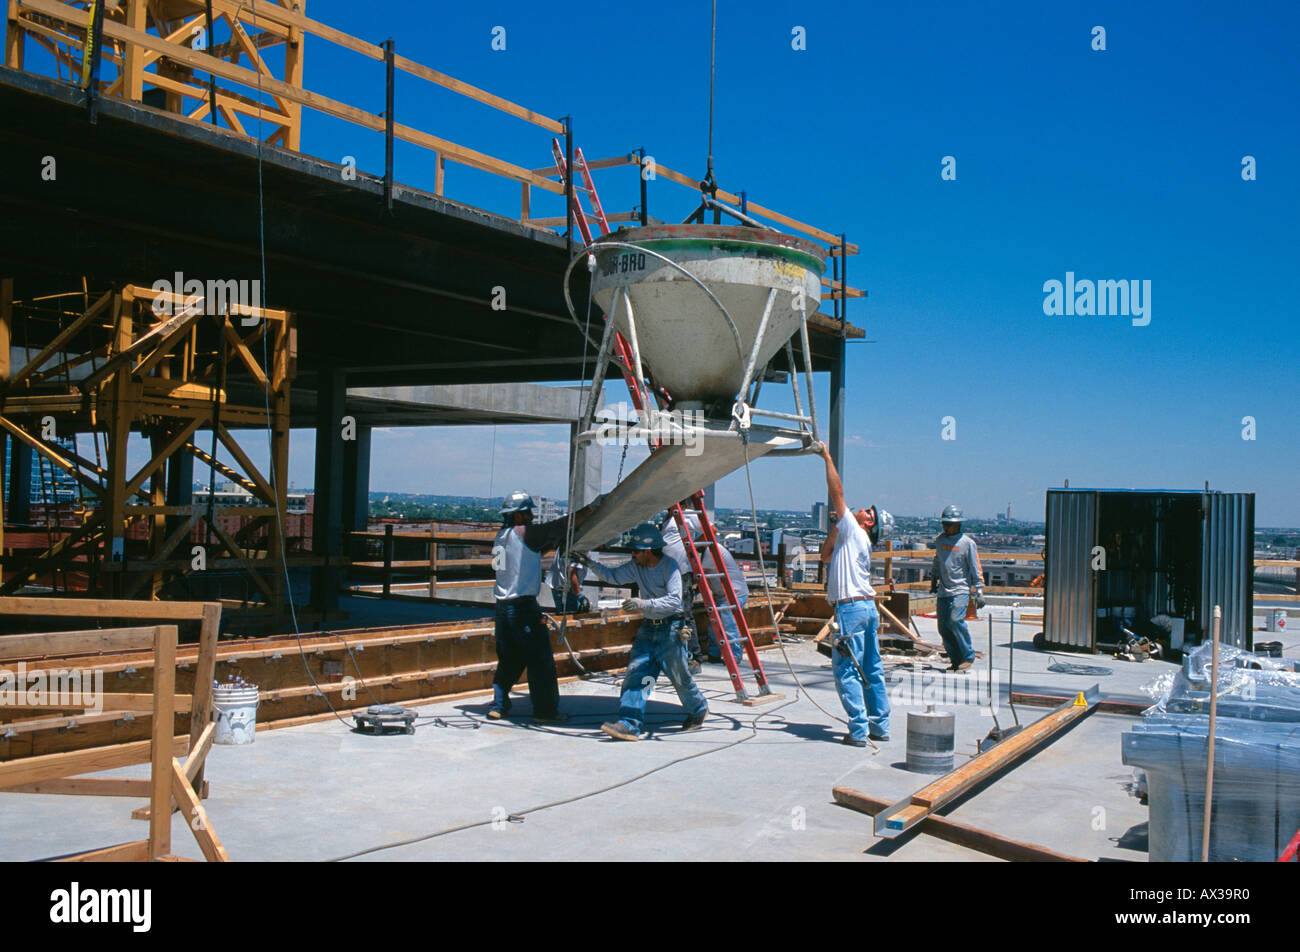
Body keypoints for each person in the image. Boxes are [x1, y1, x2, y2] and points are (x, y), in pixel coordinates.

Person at [577, 522, 708, 741]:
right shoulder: (637, 565)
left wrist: (642, 604)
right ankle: (629, 723)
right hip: (649, 628)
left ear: (648, 551)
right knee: (638, 674)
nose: (633, 554)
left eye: (636, 551)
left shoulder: (670, 567)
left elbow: (675, 601)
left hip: (671, 629)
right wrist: (589, 563)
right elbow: (614, 577)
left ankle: (698, 708)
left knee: (680, 677)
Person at [489, 490, 594, 722]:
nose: (531, 518)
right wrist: (591, 510)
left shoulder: (501, 536)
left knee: (510, 659)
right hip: (522, 607)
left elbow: (513, 562)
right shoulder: (524, 533)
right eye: (527, 514)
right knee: (540, 660)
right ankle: (545, 712)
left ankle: (499, 704)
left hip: (502, 608)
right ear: (517, 516)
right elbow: (561, 526)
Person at [817, 443, 891, 746]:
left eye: (866, 511)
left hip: (850, 611)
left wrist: (827, 457)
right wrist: (837, 525)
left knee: (847, 669)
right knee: (872, 669)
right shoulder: (851, 535)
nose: (861, 509)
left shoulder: (856, 531)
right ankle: (880, 727)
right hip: (866, 609)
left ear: (868, 522)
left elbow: (837, 492)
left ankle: (858, 731)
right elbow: (825, 556)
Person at [661, 509, 749, 668]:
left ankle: (734, 656)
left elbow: (698, 576)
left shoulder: (711, 553)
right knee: (713, 624)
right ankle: (715, 654)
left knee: (728, 625)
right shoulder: (707, 551)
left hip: (733, 594)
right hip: (722, 594)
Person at [930, 505, 984, 672]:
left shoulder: (967, 543)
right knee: (943, 626)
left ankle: (968, 655)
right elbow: (938, 561)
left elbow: (975, 567)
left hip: (960, 589)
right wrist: (933, 579)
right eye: (944, 523)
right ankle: (955, 659)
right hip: (944, 590)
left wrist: (979, 590)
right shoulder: (940, 540)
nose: (945, 527)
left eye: (949, 524)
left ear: (958, 524)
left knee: (955, 620)